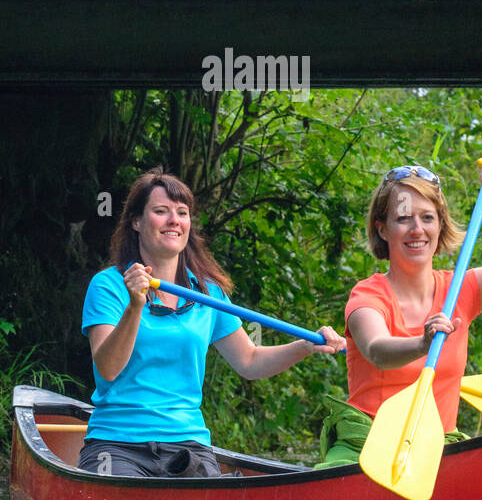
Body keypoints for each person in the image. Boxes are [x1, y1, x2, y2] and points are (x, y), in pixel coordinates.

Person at [80, 167, 346, 477]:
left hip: (187, 443)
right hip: (117, 444)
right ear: (137, 222)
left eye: (182, 213)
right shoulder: (109, 285)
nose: (174, 221)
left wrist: (306, 346)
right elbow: (108, 369)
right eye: (161, 211)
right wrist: (135, 306)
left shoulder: (208, 292)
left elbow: (249, 361)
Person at [318, 154, 482, 466]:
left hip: (439, 448)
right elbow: (377, 350)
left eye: (427, 217)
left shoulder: (463, 289)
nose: (417, 229)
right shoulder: (368, 294)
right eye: (403, 218)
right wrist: (423, 344)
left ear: (440, 224)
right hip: (366, 444)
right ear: (383, 229)